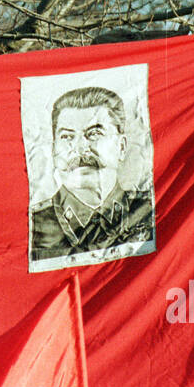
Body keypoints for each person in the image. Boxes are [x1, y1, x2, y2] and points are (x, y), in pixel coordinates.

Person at [30, 86, 153, 262]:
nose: (80, 149)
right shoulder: (34, 225)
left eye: (94, 133)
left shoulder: (151, 211)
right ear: (53, 150)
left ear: (122, 146)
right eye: (67, 137)